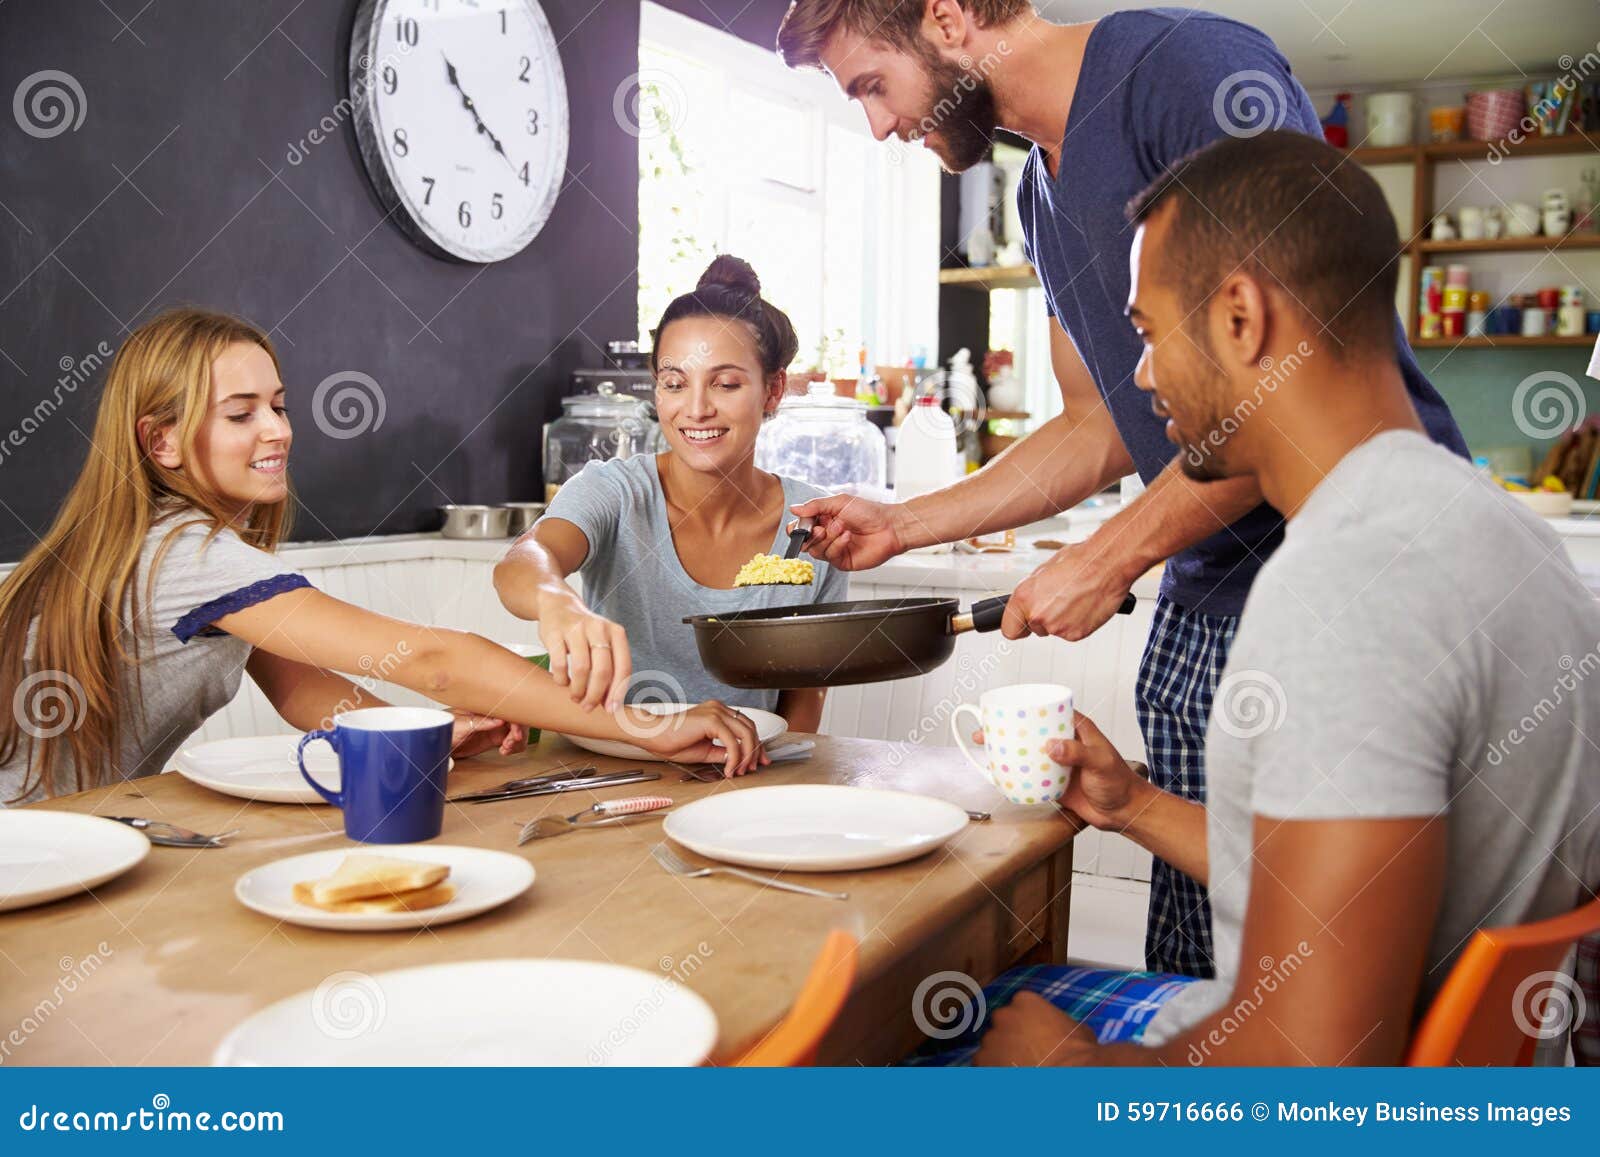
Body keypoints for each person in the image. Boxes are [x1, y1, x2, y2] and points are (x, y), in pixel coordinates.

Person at [778, 0, 1469, 977]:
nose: (878, 126)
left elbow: (1292, 372)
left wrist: (1109, 552)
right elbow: (1094, 423)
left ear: (943, 18)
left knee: (1338, 960)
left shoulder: (1182, 72)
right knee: (1205, 955)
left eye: (870, 87)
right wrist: (901, 523)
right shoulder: (1036, 200)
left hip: (1356, 578)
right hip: (1208, 593)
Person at [904, 131, 1600, 1066]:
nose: (1143, 375)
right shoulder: (1507, 535)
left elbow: (1310, 1073)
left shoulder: (1342, 588)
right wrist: (1133, 806)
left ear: (1240, 318)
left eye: (1148, 334)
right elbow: (1378, 889)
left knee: (897, 1039)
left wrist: (1072, 1069)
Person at [0, 309, 764, 806]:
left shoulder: (181, 550)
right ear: (159, 441)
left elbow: (303, 692)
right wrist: (644, 726)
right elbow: (430, 658)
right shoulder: (185, 552)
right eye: (240, 414)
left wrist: (428, 734)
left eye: (278, 404)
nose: (277, 431)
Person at [494, 256, 846, 734]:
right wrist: (556, 601)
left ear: (773, 389)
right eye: (674, 383)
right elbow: (525, 560)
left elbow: (804, 702)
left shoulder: (811, 524)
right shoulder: (614, 492)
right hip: (603, 769)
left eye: (725, 383)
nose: (696, 409)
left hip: (745, 775)